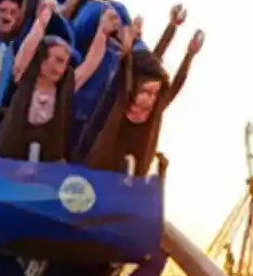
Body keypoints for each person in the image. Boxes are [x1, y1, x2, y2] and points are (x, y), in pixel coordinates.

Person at [0, 0, 109, 163]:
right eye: (58, 60)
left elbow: (91, 63)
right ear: (42, 58)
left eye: (65, 63)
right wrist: (42, 21)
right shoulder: (23, 76)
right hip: (8, 159)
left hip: (45, 167)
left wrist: (102, 32)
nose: (60, 69)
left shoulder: (65, 87)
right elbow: (27, 50)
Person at [81, 30, 203, 176]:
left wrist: (189, 55)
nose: (151, 98)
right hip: (99, 175)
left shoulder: (155, 110)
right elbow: (140, 66)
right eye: (146, 92)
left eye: (155, 93)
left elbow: (175, 85)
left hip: (134, 182)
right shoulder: (117, 103)